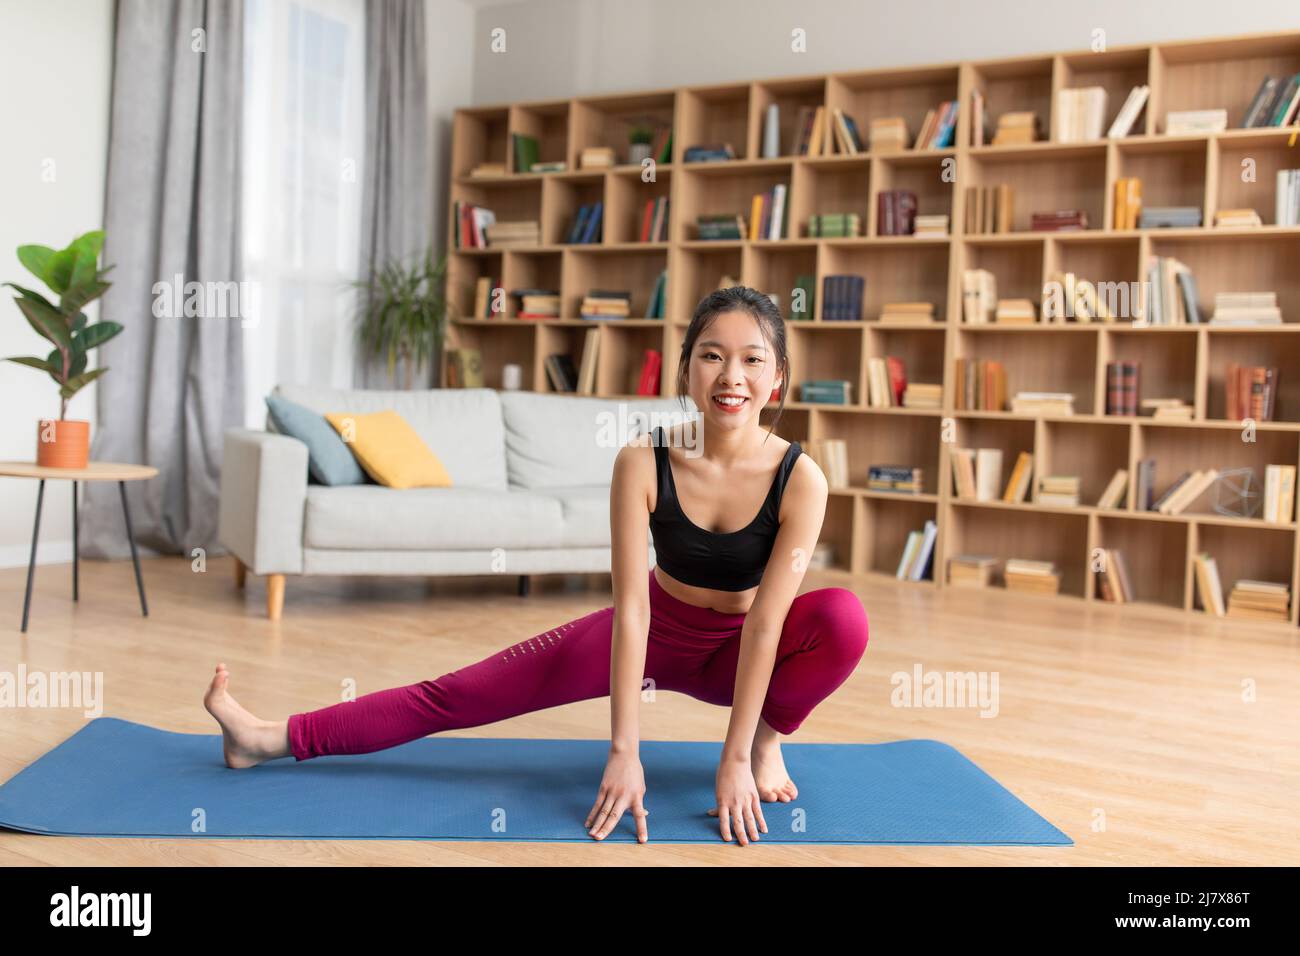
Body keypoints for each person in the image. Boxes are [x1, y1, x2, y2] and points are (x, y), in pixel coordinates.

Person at [204, 286, 870, 845]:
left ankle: (765, 741)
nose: (732, 377)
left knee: (842, 618)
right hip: (652, 628)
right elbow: (633, 611)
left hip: (740, 647)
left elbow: (766, 628)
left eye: (753, 359)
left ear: (776, 377)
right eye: (713, 356)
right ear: (686, 370)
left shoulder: (800, 478)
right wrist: (622, 751)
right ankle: (264, 738)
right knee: (456, 694)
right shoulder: (643, 461)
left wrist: (733, 759)